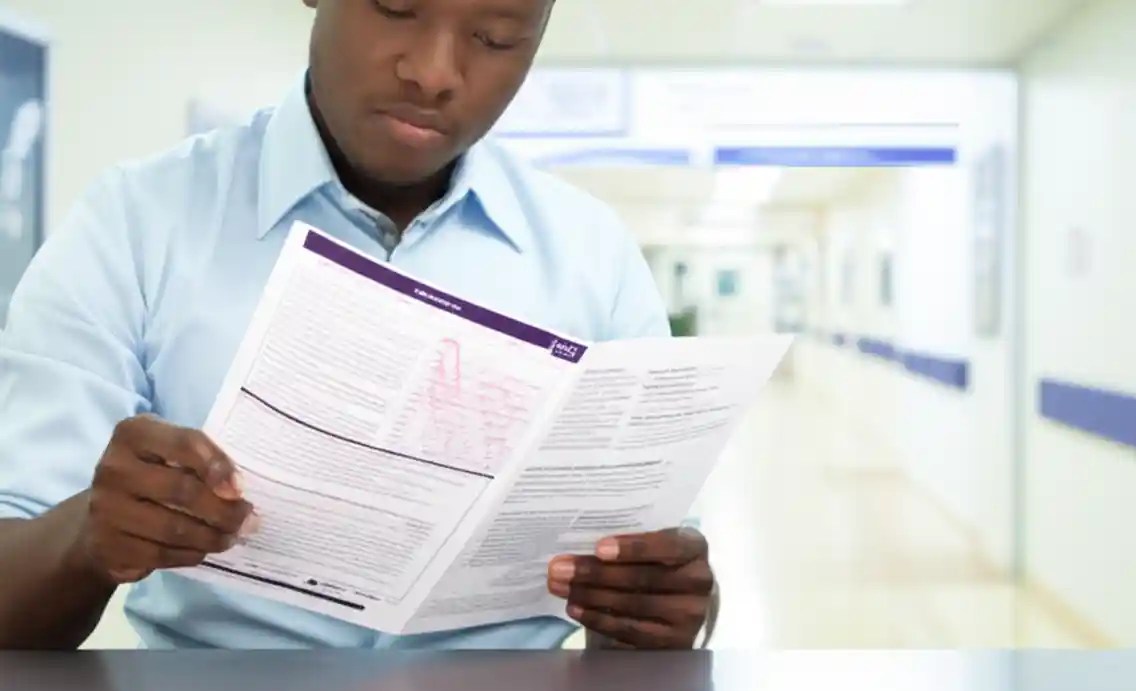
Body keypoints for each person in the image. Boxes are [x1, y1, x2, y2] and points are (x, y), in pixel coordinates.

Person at [0, 0, 717, 651]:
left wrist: (661, 604)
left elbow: (664, 565)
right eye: (396, 7)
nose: (434, 73)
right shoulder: (137, 224)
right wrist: (90, 536)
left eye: (497, 38)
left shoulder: (594, 256)